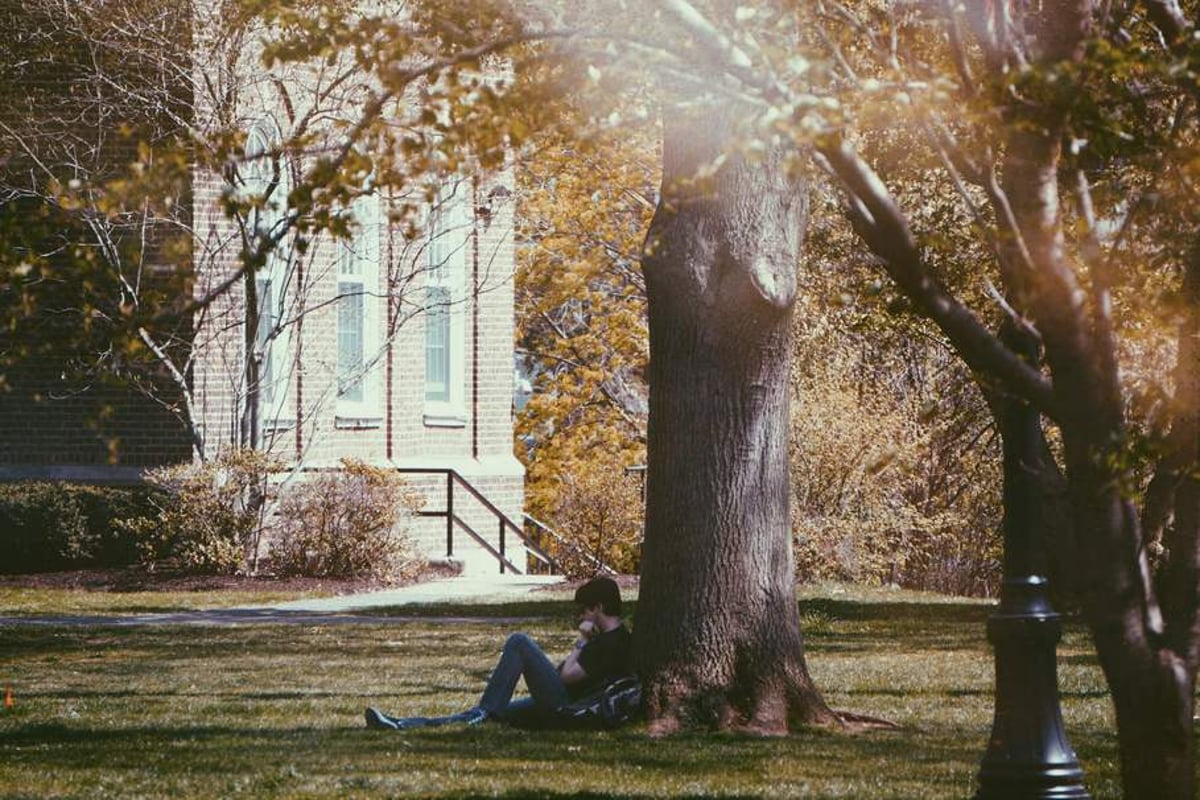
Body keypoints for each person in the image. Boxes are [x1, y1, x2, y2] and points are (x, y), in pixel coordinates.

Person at [365, 576, 632, 730]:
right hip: (563, 703)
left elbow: (565, 678)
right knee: (494, 712)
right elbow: (563, 673)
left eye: (585, 610)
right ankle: (402, 724)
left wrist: (582, 640)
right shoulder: (606, 639)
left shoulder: (613, 642)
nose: (581, 616)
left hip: (567, 710)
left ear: (598, 607)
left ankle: (483, 712)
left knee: (519, 642)